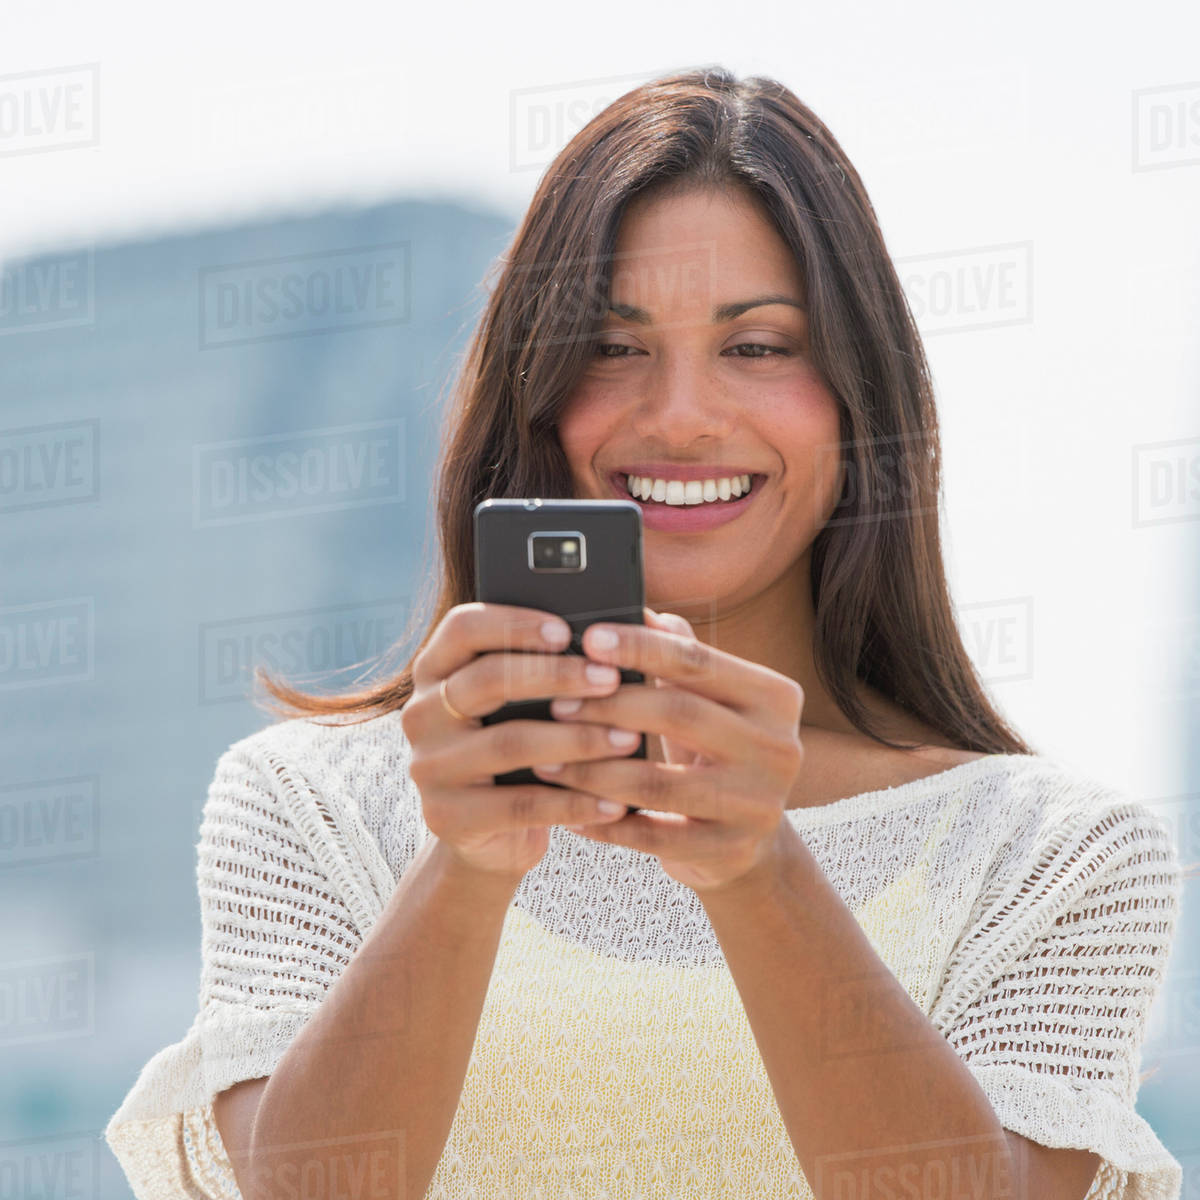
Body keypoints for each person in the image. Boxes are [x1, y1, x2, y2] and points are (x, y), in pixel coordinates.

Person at [104, 67, 1183, 1200]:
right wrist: (468, 870)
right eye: (613, 348)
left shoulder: (1054, 856)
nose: (677, 415)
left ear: (864, 398)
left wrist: (761, 872)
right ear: (539, 392)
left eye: (759, 346)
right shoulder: (313, 804)